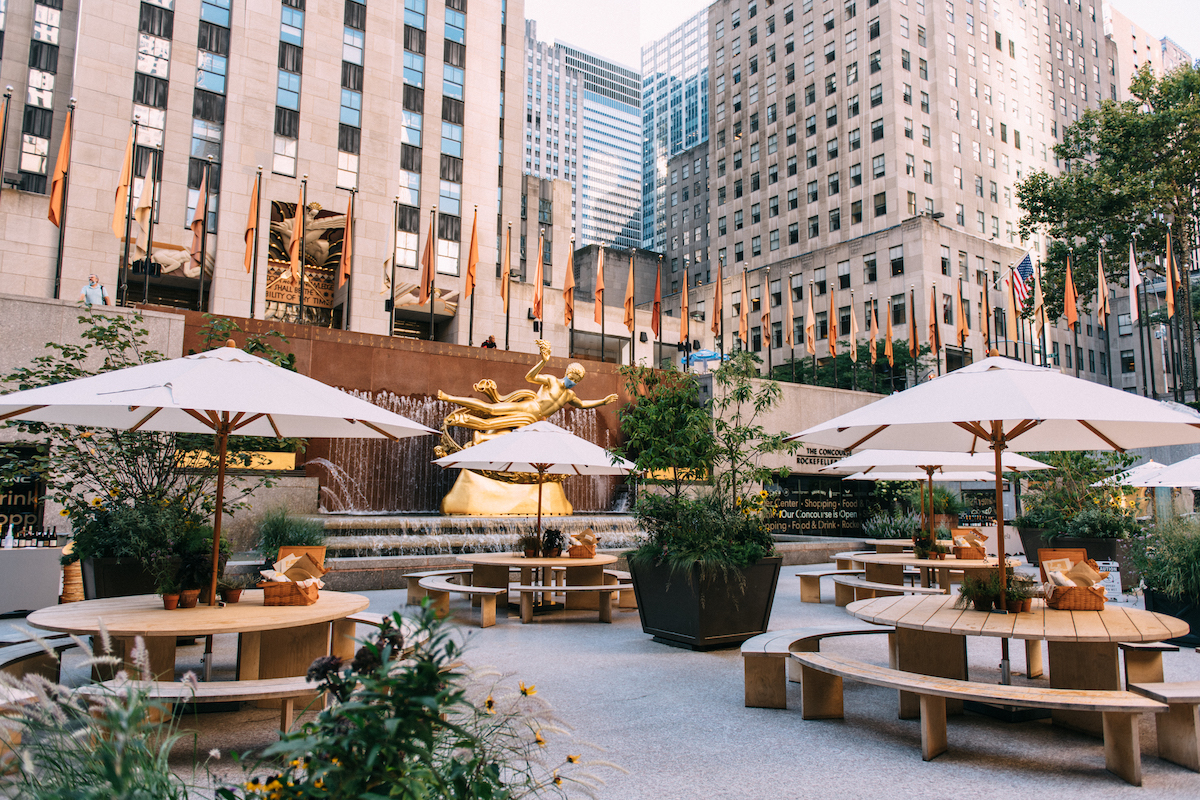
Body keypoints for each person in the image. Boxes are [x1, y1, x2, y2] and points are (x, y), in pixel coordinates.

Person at [438, 339, 617, 434]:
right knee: (492, 410)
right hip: (530, 407)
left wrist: (603, 401)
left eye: (578, 379)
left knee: (490, 423)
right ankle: (449, 397)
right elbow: (530, 377)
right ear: (567, 373)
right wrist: (542, 362)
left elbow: (583, 405)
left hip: (538, 420)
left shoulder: (569, 396)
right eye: (573, 376)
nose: (574, 381)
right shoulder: (551, 380)